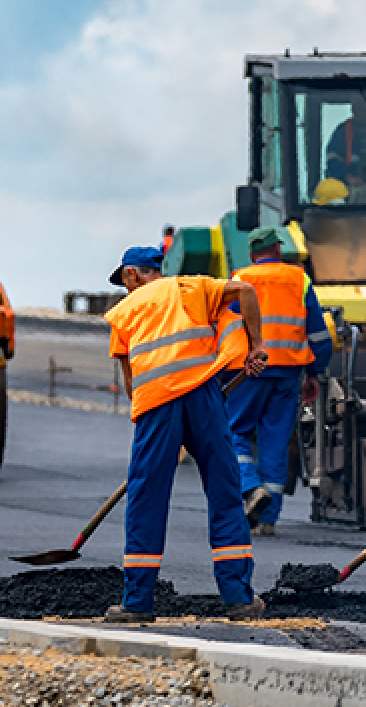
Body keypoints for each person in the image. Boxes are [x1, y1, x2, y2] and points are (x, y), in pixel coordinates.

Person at [102, 246, 270, 623]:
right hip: (204, 397)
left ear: (132, 275)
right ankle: (239, 598)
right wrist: (256, 345)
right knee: (226, 494)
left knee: (146, 499)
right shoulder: (191, 287)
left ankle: (137, 602)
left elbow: (132, 386)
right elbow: (244, 291)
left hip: (157, 406)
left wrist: (163, 434)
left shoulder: (123, 314)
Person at [221, 227, 332, 536]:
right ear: (278, 251)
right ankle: (267, 520)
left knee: (233, 432)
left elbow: (227, 328)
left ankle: (250, 487)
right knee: (276, 442)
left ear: (253, 253)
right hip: (288, 372)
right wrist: (314, 373)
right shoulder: (300, 279)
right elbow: (319, 335)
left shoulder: (239, 277)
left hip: (248, 370)